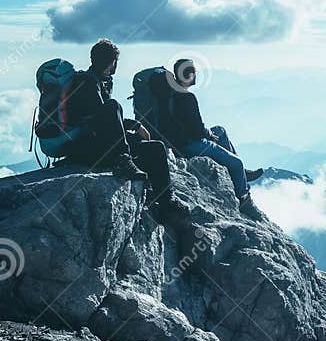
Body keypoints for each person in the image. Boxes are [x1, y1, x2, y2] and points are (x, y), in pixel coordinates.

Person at [64, 39, 188, 219]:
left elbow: (108, 122)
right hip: (87, 148)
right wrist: (135, 127)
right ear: (112, 62)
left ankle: (166, 200)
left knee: (156, 148)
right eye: (115, 61)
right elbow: (101, 119)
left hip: (100, 146)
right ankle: (123, 161)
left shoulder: (100, 81)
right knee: (114, 107)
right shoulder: (88, 83)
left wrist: (133, 132)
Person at [166, 58, 263, 207]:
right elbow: (196, 131)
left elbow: (189, 124)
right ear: (189, 75)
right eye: (194, 72)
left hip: (181, 139)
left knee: (220, 131)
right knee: (237, 163)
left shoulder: (172, 93)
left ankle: (241, 173)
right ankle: (244, 198)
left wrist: (208, 132)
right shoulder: (187, 97)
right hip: (190, 144)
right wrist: (208, 135)